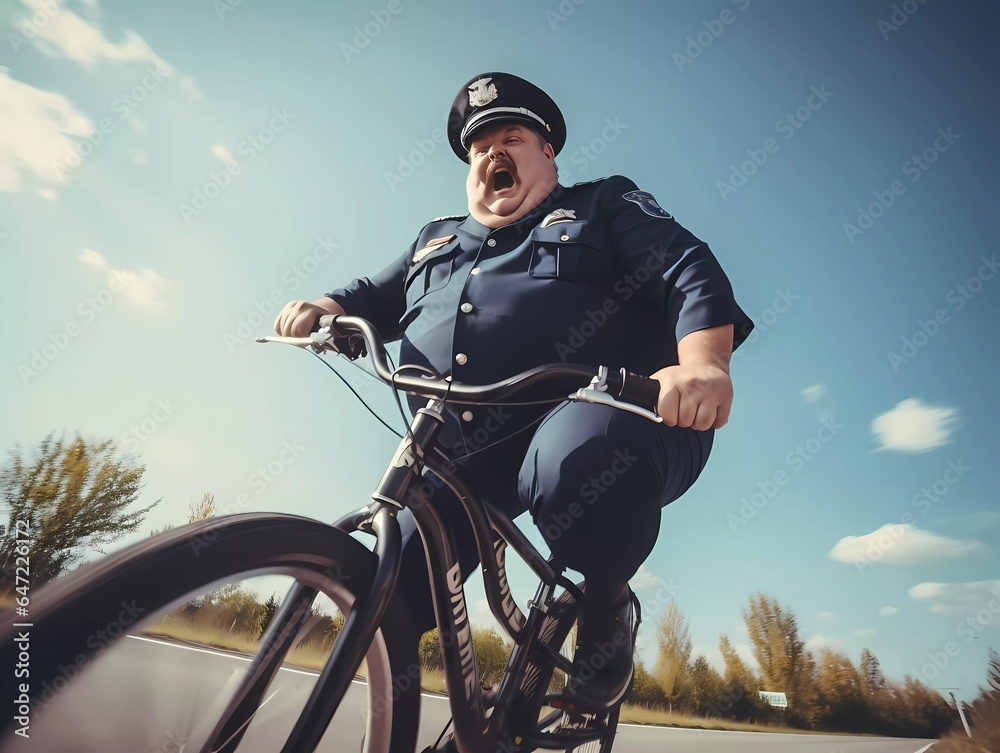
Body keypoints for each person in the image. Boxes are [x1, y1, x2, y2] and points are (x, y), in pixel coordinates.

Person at [275, 72, 754, 722]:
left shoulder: (601, 205)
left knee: (576, 464)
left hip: (612, 415)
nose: (492, 153)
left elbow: (685, 268)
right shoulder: (433, 240)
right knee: (389, 595)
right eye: (479, 146)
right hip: (469, 449)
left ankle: (607, 603)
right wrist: (324, 307)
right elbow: (372, 295)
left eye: (511, 137)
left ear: (548, 152)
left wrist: (702, 363)